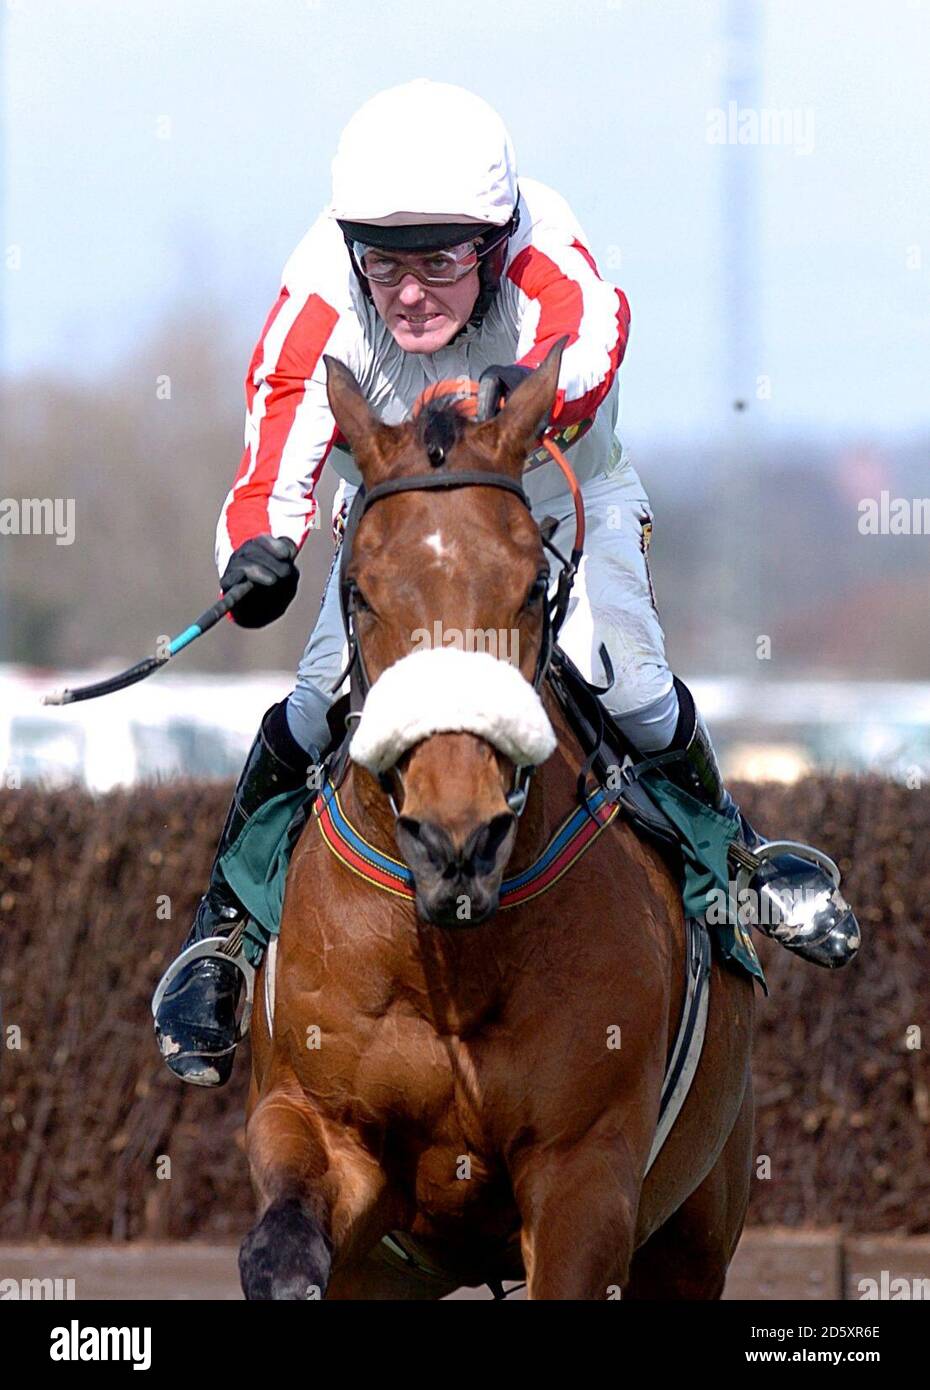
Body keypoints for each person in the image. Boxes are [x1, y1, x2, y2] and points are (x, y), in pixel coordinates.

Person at [153, 79, 859, 1088]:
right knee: (315, 706)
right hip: (401, 530)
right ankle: (221, 936)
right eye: (384, 265)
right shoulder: (318, 291)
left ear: (491, 243)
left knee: (627, 688)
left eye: (439, 263)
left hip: (560, 499)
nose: (406, 294)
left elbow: (599, 334)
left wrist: (518, 389)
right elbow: (277, 430)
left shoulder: (544, 246)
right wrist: (258, 549)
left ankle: (738, 865)